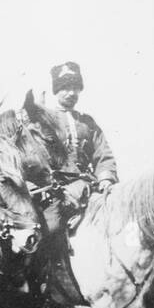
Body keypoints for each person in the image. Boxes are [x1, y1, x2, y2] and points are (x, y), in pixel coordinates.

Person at [35, 61, 119, 232]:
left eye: (75, 88)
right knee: (51, 227)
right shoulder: (44, 121)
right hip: (55, 190)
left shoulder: (86, 122)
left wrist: (106, 178)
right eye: (66, 88)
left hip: (88, 186)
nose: (71, 93)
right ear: (56, 90)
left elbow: (103, 153)